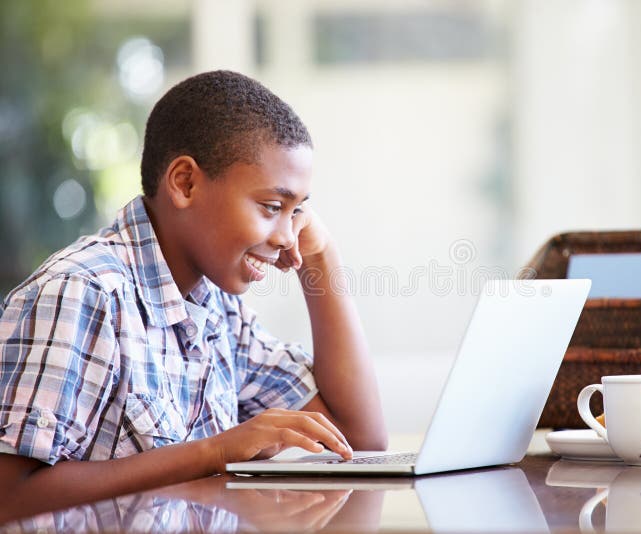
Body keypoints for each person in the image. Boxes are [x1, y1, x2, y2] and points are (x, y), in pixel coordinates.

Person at [0, 70, 387, 520]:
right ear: (184, 183)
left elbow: (358, 440)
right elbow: (10, 497)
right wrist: (214, 452)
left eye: (298, 210)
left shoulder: (218, 307)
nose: (288, 235)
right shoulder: (83, 294)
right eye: (271, 207)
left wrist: (321, 256)